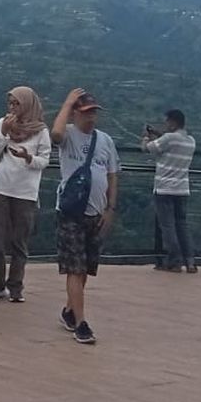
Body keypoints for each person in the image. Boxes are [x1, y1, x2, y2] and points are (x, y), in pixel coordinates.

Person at [50, 88, 120, 346]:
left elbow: (113, 174)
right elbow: (55, 134)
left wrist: (111, 208)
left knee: (85, 269)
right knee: (75, 269)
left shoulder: (105, 141)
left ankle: (70, 309)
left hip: (95, 212)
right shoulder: (68, 135)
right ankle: (81, 323)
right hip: (70, 213)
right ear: (76, 113)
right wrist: (67, 103)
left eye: (94, 113)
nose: (91, 118)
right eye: (87, 113)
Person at [0, 86, 51, 303]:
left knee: (19, 242)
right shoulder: (3, 123)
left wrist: (28, 157)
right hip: (1, 187)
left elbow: (45, 160)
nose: (12, 108)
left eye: (16, 104)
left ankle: (15, 287)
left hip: (26, 191)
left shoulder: (41, 131)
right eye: (10, 103)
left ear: (27, 105)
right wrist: (4, 132)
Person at [141, 109, 197, 273]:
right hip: (182, 188)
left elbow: (146, 148)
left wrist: (145, 136)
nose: (165, 125)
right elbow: (168, 144)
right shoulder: (190, 140)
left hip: (164, 187)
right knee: (182, 225)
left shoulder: (169, 138)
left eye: (167, 122)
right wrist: (159, 135)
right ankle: (190, 261)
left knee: (168, 226)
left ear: (173, 122)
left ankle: (174, 261)